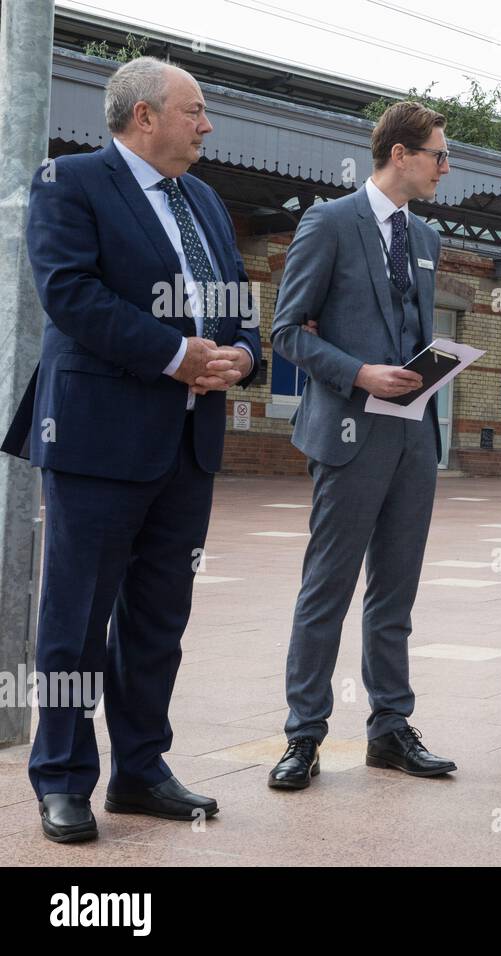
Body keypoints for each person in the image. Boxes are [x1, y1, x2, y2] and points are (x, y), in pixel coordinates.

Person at [2, 57, 261, 842]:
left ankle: (141, 770)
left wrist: (243, 354)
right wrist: (175, 354)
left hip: (187, 442)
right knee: (75, 619)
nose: (206, 126)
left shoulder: (207, 201)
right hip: (99, 438)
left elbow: (238, 305)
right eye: (195, 111)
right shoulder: (69, 182)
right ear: (143, 115)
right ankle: (63, 778)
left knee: (157, 619)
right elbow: (71, 293)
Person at [267, 101, 455, 789]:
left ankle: (390, 729)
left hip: (414, 435)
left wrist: (432, 367)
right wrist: (358, 372)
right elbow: (287, 332)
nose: (445, 166)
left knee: (395, 596)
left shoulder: (427, 239)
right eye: (438, 154)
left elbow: (412, 328)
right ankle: (303, 737)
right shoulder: (330, 222)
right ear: (400, 155)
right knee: (327, 590)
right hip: (348, 435)